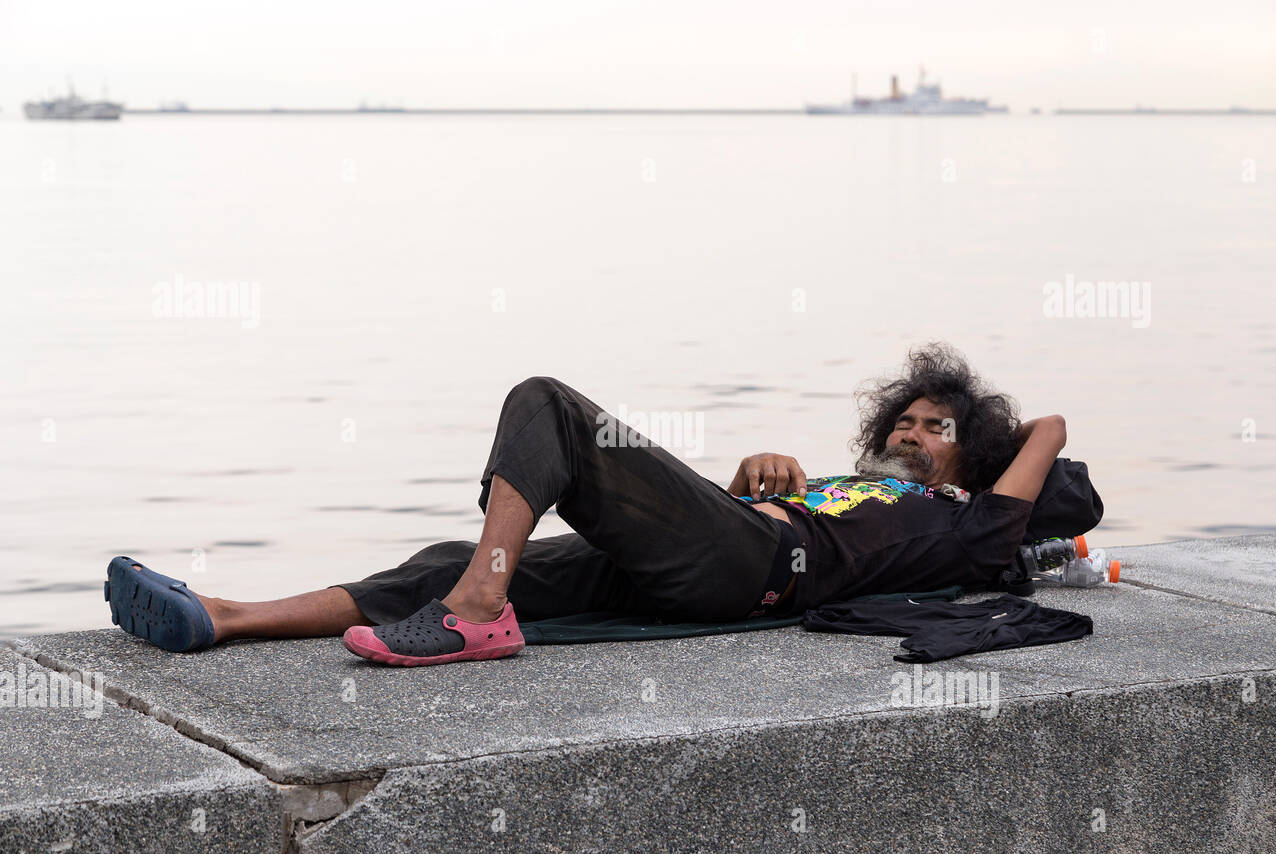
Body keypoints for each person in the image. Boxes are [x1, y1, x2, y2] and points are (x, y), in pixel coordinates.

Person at [104, 342, 1066, 667]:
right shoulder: (851, 486)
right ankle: (223, 619)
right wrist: (754, 478)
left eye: (935, 427)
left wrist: (983, 454)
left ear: (974, 459)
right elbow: (727, 519)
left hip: (764, 572)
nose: (909, 429)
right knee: (448, 560)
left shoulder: (969, 525)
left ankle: (478, 617)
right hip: (733, 546)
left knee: (548, 405)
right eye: (906, 418)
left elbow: (1050, 430)